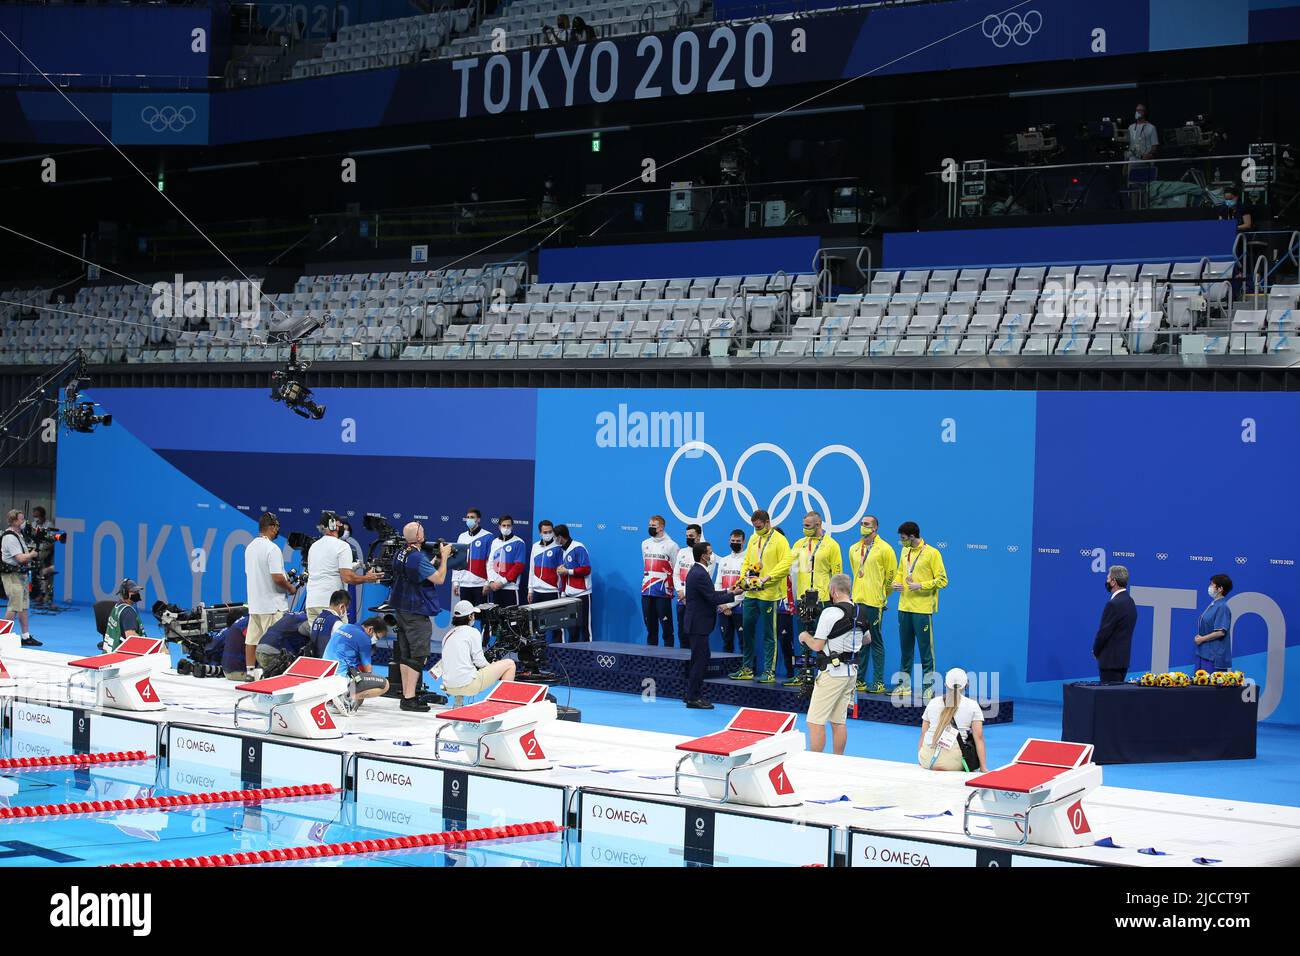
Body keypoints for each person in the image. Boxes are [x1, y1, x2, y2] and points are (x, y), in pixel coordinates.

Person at [388, 521, 455, 711]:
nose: (425, 533)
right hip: (415, 612)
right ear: (418, 537)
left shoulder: (401, 553)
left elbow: (418, 572)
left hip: (401, 609)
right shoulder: (417, 558)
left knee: (406, 653)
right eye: (422, 531)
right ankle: (410, 698)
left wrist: (432, 562)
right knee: (418, 656)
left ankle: (406, 695)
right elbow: (439, 579)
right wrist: (444, 557)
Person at [799, 574, 864, 754]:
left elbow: (817, 645)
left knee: (815, 721)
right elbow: (867, 639)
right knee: (838, 721)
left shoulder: (830, 612)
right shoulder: (860, 611)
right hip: (851, 673)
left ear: (833, 591)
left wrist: (805, 637)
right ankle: (837, 761)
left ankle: (817, 763)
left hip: (832, 673)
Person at [731, 509, 791, 684]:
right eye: (754, 527)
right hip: (751, 592)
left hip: (769, 594)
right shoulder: (753, 538)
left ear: (767, 523)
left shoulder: (780, 540)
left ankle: (769, 671)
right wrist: (742, 579)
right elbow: (747, 562)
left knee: (768, 634)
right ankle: (747, 668)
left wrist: (768, 577)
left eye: (759, 527)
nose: (756, 530)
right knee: (747, 631)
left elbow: (786, 564)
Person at [785, 511, 843, 686]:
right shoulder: (799, 544)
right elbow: (791, 569)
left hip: (822, 599)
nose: (804, 529)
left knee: (822, 639)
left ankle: (823, 675)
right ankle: (803, 674)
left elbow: (837, 574)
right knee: (803, 637)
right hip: (803, 599)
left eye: (808, 526)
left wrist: (837, 601)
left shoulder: (832, 545)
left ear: (818, 525)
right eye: (803, 525)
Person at [892, 521, 948, 700]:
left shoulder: (932, 553)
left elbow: (942, 580)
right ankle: (904, 685)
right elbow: (901, 571)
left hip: (922, 609)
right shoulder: (904, 551)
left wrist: (921, 585)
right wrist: (896, 583)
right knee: (905, 650)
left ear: (912, 537)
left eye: (903, 539)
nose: (901, 542)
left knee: (926, 651)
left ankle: (928, 686)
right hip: (904, 607)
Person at [683, 541, 735, 709]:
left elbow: (710, 594)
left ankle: (690, 694)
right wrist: (732, 595)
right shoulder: (700, 574)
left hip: (697, 624)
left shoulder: (697, 571)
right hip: (698, 625)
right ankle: (693, 698)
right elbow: (712, 598)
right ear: (704, 555)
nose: (712, 555)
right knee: (700, 661)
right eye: (710, 552)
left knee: (698, 660)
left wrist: (729, 592)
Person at [243, 513, 297, 674]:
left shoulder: (250, 547)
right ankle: (273, 674)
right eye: (277, 528)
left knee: (252, 639)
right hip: (272, 605)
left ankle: (250, 672)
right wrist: (290, 588)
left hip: (255, 604)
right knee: (274, 642)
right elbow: (277, 577)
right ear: (271, 528)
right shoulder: (272, 549)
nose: (278, 531)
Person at [305, 512, 380, 627]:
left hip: (312, 602)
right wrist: (367, 578)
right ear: (333, 525)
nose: (342, 528)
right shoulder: (342, 546)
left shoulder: (314, 546)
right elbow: (347, 577)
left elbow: (327, 568)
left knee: (318, 640)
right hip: (331, 603)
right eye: (340, 525)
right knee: (338, 641)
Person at [849, 515, 896, 694]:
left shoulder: (886, 549)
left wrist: (882, 595)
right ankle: (859, 680)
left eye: (866, 524)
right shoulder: (854, 549)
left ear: (875, 528)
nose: (863, 526)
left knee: (875, 641)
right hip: (857, 601)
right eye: (861, 524)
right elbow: (856, 573)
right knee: (860, 642)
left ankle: (878, 682)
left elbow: (890, 578)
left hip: (874, 603)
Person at [439, 600, 516, 702]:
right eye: (473, 614)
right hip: (469, 686)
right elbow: (479, 662)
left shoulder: (447, 635)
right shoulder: (473, 632)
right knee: (510, 664)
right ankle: (502, 703)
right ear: (470, 616)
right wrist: (492, 667)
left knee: (462, 671)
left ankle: (458, 703)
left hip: (448, 687)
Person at [918, 668, 987, 772]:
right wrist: (983, 767)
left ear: (945, 684)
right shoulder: (973, 705)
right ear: (966, 685)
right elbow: (979, 737)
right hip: (953, 764)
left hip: (927, 761)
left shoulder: (932, 702)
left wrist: (921, 759)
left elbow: (923, 733)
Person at [323, 615, 390, 712]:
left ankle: (341, 698)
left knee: (359, 699)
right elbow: (368, 671)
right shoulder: (364, 638)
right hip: (340, 680)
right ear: (370, 629)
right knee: (385, 685)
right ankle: (344, 697)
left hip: (326, 675)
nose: (376, 641)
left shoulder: (344, 627)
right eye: (377, 638)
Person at [1, 509, 41, 645]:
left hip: (21, 574)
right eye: (21, 519)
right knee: (13, 606)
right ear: (14, 521)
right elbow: (19, 558)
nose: (23, 522)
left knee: (23, 606)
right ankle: (2, 637)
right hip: (12, 575)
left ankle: (25, 636)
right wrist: (32, 554)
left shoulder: (19, 535)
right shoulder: (10, 537)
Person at [1092, 565, 1137, 683]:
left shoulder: (1113, 604)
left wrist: (1096, 651)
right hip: (1123, 662)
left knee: (1108, 700)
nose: (1106, 581)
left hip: (1109, 663)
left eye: (1108, 578)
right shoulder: (1130, 602)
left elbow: (1103, 633)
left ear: (1113, 582)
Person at [640, 515, 678, 647]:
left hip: (663, 592)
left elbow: (675, 569)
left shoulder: (672, 545)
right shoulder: (645, 544)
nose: (650, 528)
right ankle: (651, 660)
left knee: (667, 629)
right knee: (650, 629)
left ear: (661, 527)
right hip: (646, 591)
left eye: (653, 526)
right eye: (649, 525)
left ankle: (669, 658)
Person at [674, 524, 711, 648]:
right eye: (686, 536)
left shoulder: (708, 555)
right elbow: (676, 574)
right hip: (681, 600)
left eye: (691, 536)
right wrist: (680, 591)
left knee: (695, 638)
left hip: (695, 602)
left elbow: (703, 579)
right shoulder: (682, 552)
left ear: (699, 536)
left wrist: (686, 595)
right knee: (682, 634)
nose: (688, 538)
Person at [529, 519, 566, 641]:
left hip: (552, 592)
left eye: (550, 531)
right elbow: (532, 569)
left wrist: (562, 590)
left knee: (556, 625)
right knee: (537, 626)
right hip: (537, 592)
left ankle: (559, 652)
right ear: (540, 532)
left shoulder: (558, 547)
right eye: (545, 532)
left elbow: (562, 571)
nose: (548, 534)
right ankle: (539, 655)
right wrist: (530, 589)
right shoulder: (535, 546)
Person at [554, 524, 592, 642]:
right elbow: (564, 574)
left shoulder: (578, 548)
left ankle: (588, 656)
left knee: (585, 628)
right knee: (571, 629)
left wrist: (567, 571)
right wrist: (563, 592)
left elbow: (586, 569)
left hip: (582, 594)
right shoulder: (562, 550)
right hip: (569, 596)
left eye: (555, 537)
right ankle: (572, 657)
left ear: (560, 537)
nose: (554, 540)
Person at [452, 508, 495, 610]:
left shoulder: (488, 536)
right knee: (465, 615)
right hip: (464, 584)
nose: (469, 519)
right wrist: (456, 582)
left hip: (480, 584)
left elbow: (490, 562)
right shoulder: (461, 537)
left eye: (472, 517)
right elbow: (457, 560)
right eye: (468, 517)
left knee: (483, 617)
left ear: (478, 520)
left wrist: (487, 582)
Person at [485, 515, 527, 608]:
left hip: (510, 588)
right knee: (496, 620)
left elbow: (519, 566)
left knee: (512, 620)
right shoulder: (495, 542)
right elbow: (490, 563)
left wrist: (502, 582)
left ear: (512, 527)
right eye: (504, 525)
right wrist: (491, 581)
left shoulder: (519, 542)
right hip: (495, 588)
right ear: (499, 526)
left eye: (508, 525)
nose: (506, 528)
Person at [715, 529, 746, 653]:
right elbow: (718, 583)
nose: (735, 543)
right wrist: (721, 603)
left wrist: (728, 605)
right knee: (726, 642)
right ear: (729, 541)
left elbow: (746, 588)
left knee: (743, 642)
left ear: (744, 542)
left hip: (740, 608)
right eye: (733, 541)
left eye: (738, 541)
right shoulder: (724, 560)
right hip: (722, 607)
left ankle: (747, 670)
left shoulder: (747, 561)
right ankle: (727, 670)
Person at [1195, 574, 1234, 673]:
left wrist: (1201, 639)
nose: (1210, 587)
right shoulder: (1214, 605)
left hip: (1213, 657)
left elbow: (1220, 632)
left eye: (1212, 584)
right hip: (1203, 653)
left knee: (1209, 686)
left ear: (1220, 588)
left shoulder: (1222, 607)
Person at [254, 611, 310, 676]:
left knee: (268, 677)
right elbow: (314, 636)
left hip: (259, 650)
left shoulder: (290, 616)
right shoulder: (305, 620)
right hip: (275, 651)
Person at [103, 579, 145, 652]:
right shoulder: (128, 612)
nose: (137, 594)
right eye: (134, 592)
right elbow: (131, 637)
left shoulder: (117, 607)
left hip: (109, 653)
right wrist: (149, 645)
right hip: (120, 656)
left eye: (137, 591)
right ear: (125, 593)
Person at [25, 506, 55, 607]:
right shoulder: (33, 524)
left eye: (37, 516)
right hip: (34, 548)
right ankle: (36, 593)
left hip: (46, 549)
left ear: (42, 516)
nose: (35, 518)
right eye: (34, 516)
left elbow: (52, 542)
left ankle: (45, 595)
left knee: (41, 568)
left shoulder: (49, 525)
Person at [310, 589, 351, 657]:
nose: (345, 612)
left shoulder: (318, 619)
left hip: (316, 659)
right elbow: (343, 647)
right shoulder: (337, 623)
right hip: (329, 661)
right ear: (342, 607)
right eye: (346, 609)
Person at [339, 520, 365, 624]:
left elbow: (352, 567)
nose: (345, 531)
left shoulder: (352, 548)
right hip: (335, 581)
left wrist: (358, 565)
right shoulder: (332, 546)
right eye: (343, 529)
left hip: (349, 582)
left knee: (349, 609)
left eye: (347, 530)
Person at [217, 615, 251, 682]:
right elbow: (252, 644)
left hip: (227, 671)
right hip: (240, 672)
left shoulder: (240, 622)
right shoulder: (251, 623)